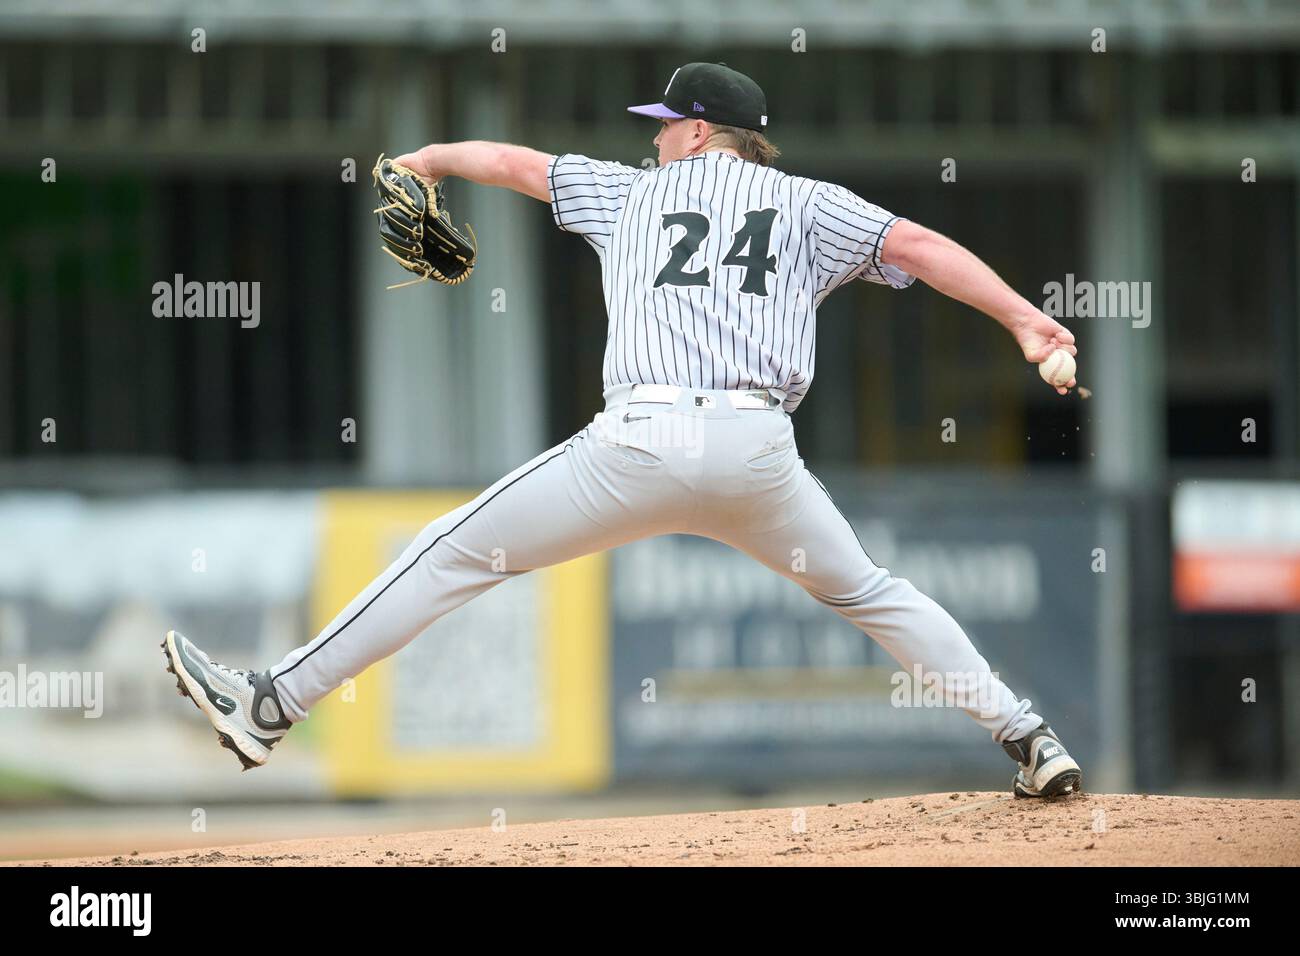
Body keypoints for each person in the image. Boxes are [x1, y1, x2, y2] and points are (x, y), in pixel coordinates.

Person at [164, 62, 1082, 798]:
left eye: (663, 122)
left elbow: (516, 164)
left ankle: (270, 706)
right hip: (758, 452)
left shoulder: (629, 193)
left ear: (694, 131)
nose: (653, 135)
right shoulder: (808, 202)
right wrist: (1023, 320)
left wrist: (430, 158)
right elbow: (919, 246)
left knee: (447, 551)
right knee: (874, 593)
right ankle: (1028, 737)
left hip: (638, 443)